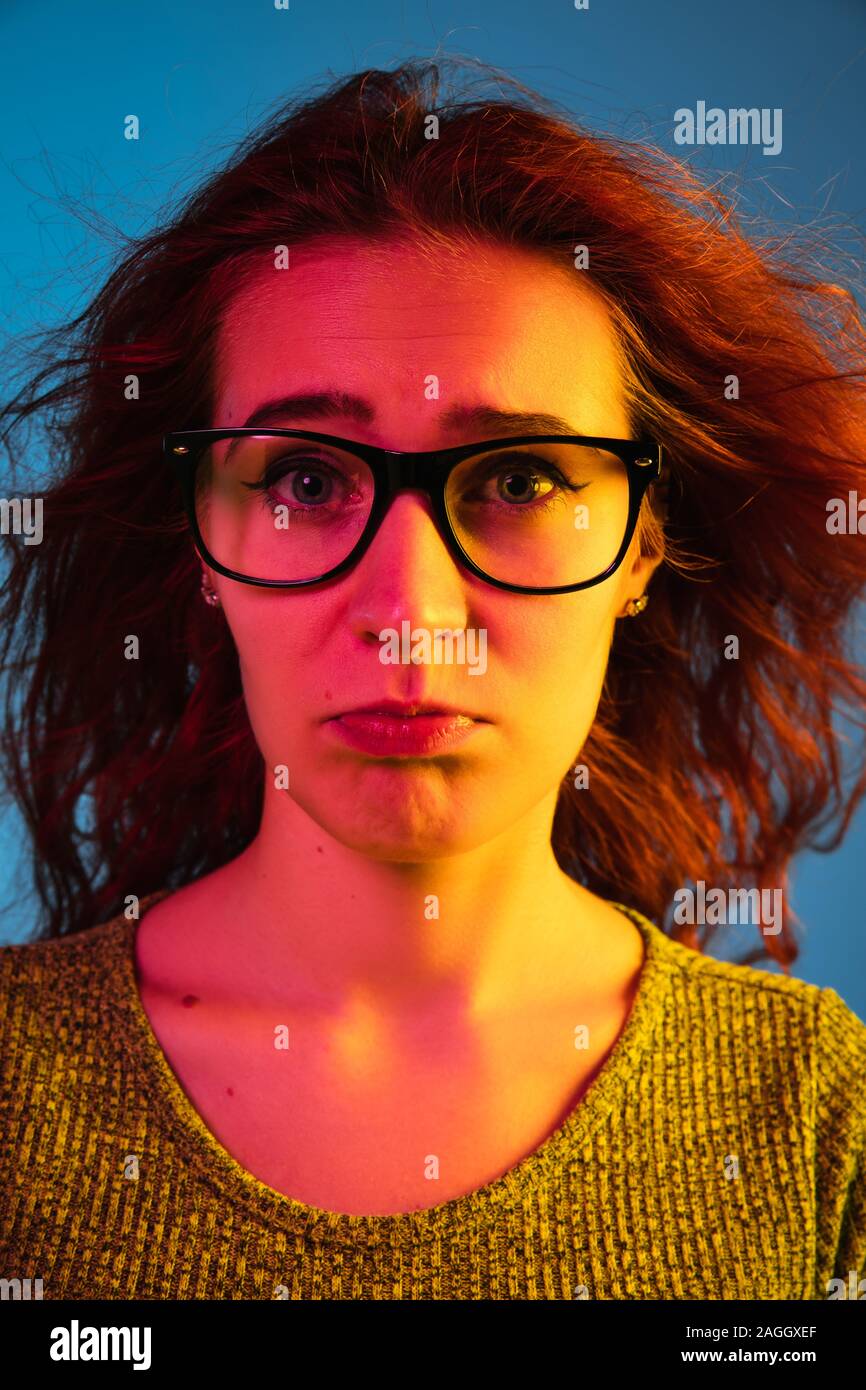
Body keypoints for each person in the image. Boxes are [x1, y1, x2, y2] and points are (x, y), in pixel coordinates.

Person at [1, 58, 865, 1302]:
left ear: (640, 547)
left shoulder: (813, 1122)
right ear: (202, 544)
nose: (409, 615)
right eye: (304, 478)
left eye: (517, 480)